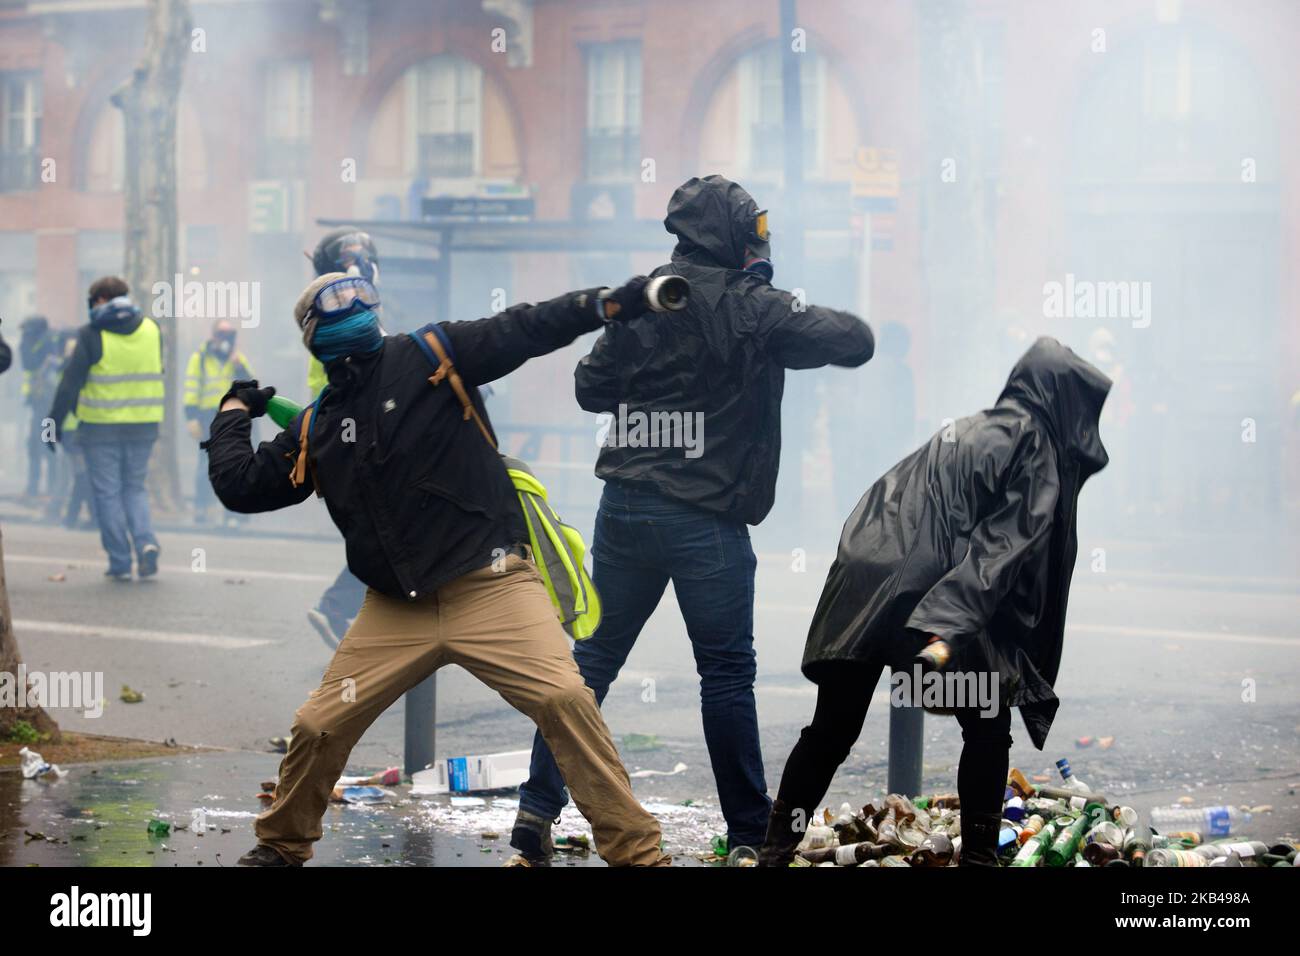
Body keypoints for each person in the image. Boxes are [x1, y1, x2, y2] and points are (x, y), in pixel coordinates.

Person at [206, 271, 670, 868]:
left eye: (360, 297)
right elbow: (241, 485)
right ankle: (281, 845)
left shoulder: (433, 354)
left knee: (564, 699)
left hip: (492, 585)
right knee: (320, 723)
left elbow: (528, 325)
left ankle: (638, 854)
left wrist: (617, 301)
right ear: (314, 336)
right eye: (338, 304)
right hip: (396, 609)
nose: (354, 308)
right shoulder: (317, 425)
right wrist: (235, 410)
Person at [511, 175, 875, 862]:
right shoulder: (754, 307)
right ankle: (746, 836)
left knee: (589, 664)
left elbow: (590, 390)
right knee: (727, 675)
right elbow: (855, 340)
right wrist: (766, 295)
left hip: (625, 507)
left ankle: (533, 816)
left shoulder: (643, 298)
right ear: (738, 236)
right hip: (705, 519)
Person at [757, 337, 1111, 867]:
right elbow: (1003, 547)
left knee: (832, 727)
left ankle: (773, 851)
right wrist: (946, 626)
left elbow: (888, 499)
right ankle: (980, 860)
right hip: (935, 590)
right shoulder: (1035, 442)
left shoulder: (970, 427)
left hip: (866, 579)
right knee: (988, 723)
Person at [47, 277, 164, 581]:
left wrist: (53, 424)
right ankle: (146, 542)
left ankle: (121, 560)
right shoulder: (152, 329)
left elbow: (70, 383)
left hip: (101, 429)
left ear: (100, 299)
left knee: (108, 493)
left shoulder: (90, 333)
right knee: (135, 488)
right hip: (144, 425)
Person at [303, 228, 378, 648]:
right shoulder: (340, 304)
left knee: (383, 529)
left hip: (346, 430)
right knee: (386, 530)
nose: (361, 262)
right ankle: (337, 606)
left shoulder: (340, 301)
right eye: (353, 258)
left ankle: (344, 610)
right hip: (353, 433)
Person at [184, 319, 253, 523]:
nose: (225, 339)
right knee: (205, 464)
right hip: (207, 417)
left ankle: (231, 514)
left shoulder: (237, 359)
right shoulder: (201, 359)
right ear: (213, 335)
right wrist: (191, 417)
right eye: (221, 334)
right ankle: (202, 508)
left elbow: (252, 388)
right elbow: (191, 388)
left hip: (232, 418)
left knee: (232, 465)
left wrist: (239, 367)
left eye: (229, 334)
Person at [19, 315, 61, 499]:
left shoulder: (48, 347)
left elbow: (49, 376)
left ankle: (50, 489)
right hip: (39, 406)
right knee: (34, 446)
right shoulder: (35, 345)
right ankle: (34, 488)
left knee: (47, 446)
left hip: (48, 408)